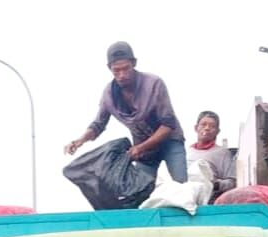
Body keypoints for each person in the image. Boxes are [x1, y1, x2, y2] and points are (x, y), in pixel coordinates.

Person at [64, 41, 187, 184]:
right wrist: (80, 140)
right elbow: (98, 124)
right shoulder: (108, 94)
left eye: (126, 68)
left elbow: (168, 124)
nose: (122, 75)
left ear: (134, 63)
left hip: (170, 141)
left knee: (181, 185)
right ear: (109, 68)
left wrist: (140, 148)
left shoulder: (154, 83)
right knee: (138, 190)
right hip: (144, 151)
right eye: (116, 70)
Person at [187, 111, 236, 200]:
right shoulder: (186, 152)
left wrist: (214, 184)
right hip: (185, 198)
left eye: (212, 126)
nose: (207, 128)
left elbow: (232, 183)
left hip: (209, 201)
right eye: (203, 124)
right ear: (196, 128)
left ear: (218, 131)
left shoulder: (223, 153)